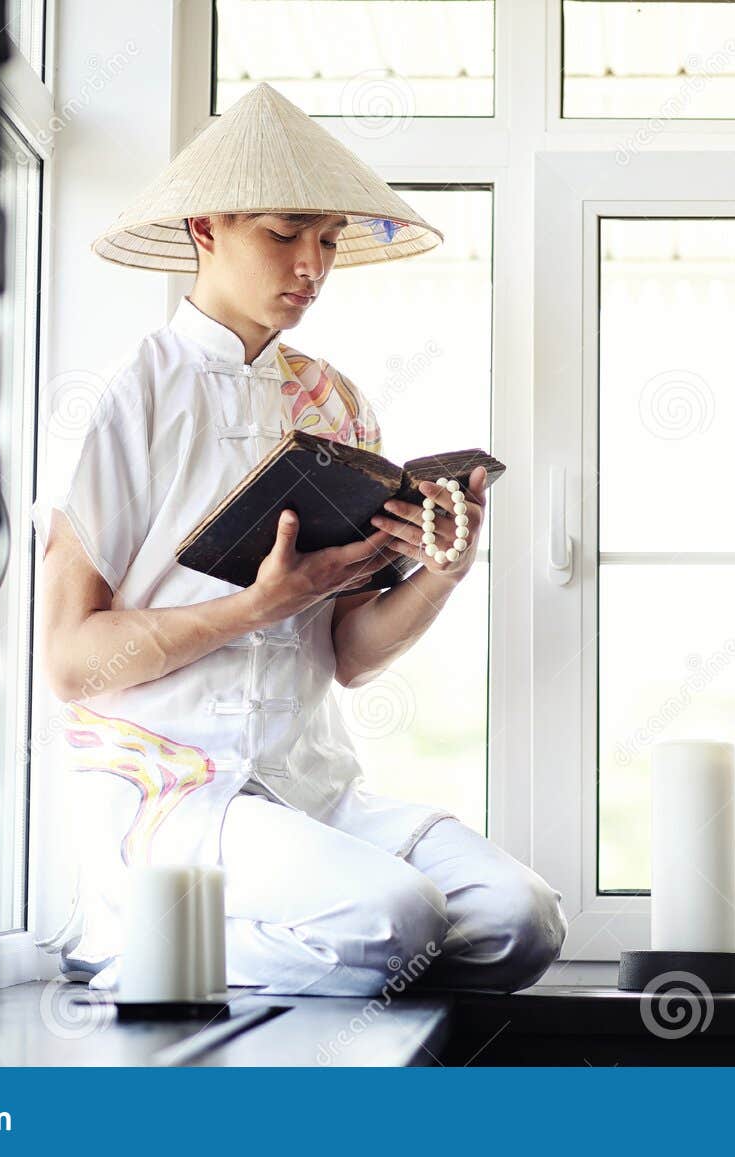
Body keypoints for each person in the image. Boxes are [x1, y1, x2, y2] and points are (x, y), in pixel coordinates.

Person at [29, 82, 566, 996]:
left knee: (521, 920)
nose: (311, 265)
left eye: (326, 239)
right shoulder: (129, 396)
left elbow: (349, 657)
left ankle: (239, 949)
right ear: (207, 228)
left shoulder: (337, 401)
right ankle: (130, 937)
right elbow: (73, 664)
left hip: (312, 784)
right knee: (401, 919)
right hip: (173, 786)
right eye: (284, 233)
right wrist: (257, 605)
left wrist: (441, 572)